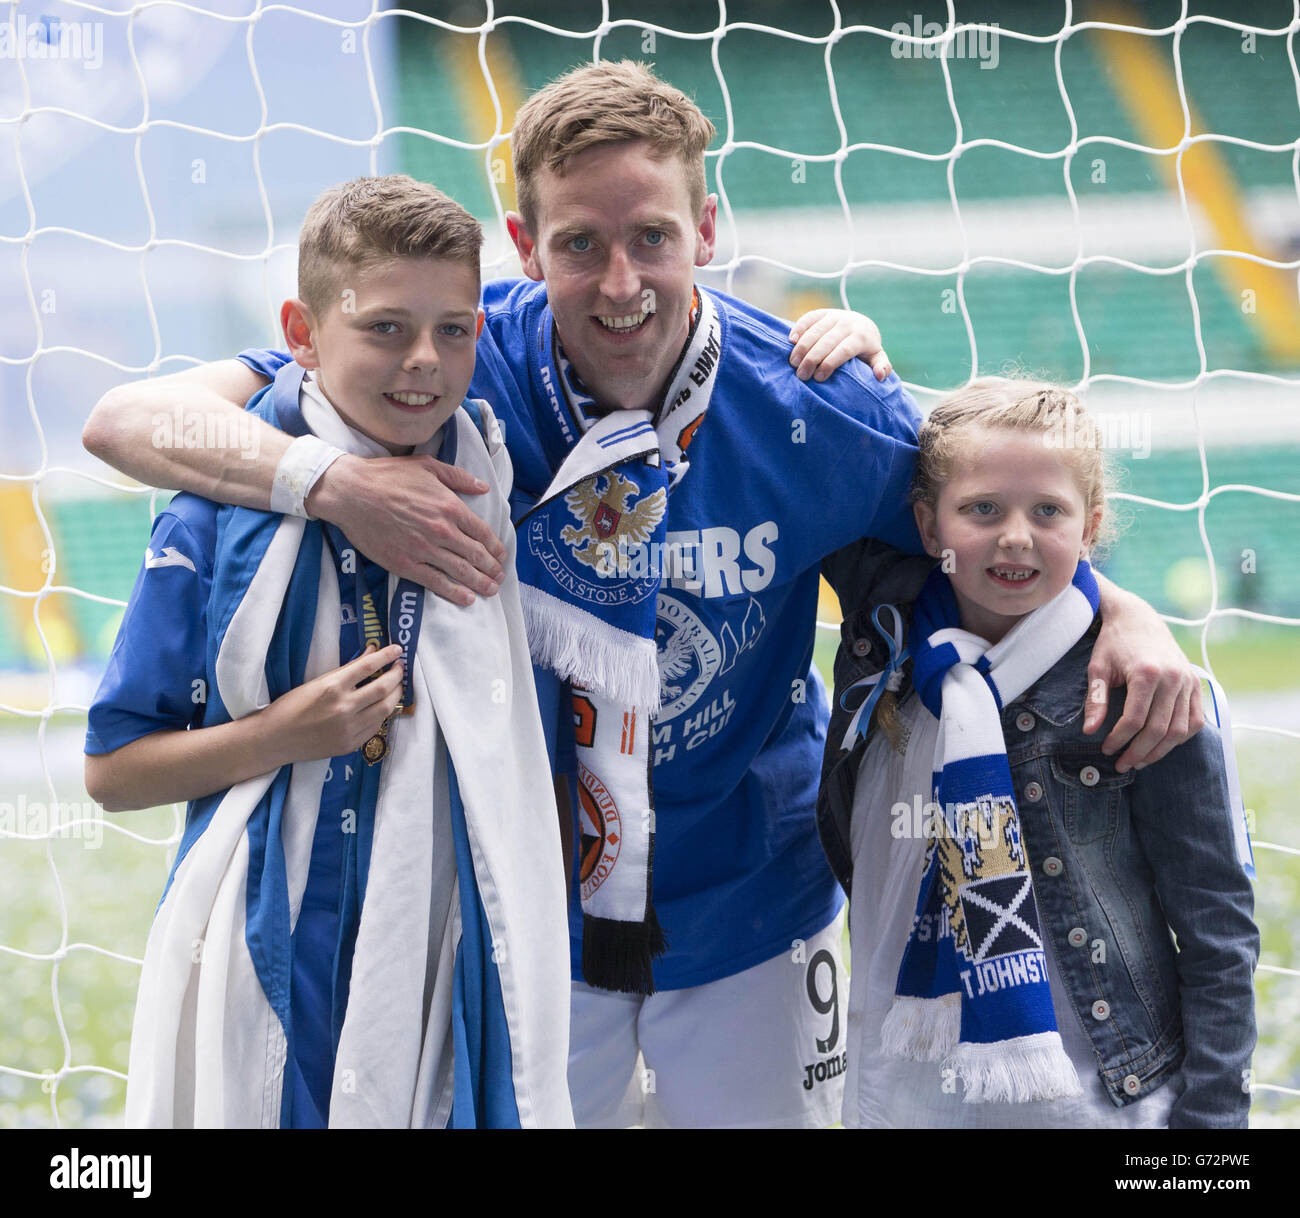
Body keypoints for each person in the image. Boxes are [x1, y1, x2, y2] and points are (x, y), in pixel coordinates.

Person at [81, 61, 1204, 1129]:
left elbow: (990, 521)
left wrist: (1121, 609)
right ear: (524, 247)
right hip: (514, 912)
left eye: (653, 238)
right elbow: (126, 422)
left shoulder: (813, 404)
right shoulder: (461, 370)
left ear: (705, 232)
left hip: (754, 904)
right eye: (579, 245)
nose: (620, 284)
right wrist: (335, 487)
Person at [83, 175, 573, 1129]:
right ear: (302, 333)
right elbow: (111, 773)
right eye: (384, 329)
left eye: (455, 331)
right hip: (274, 947)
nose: (424, 362)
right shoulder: (213, 515)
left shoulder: (495, 475)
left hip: (456, 948)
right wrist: (281, 735)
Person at [819, 379, 1258, 1129]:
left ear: (1092, 526)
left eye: (1047, 511)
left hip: (1094, 1102)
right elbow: (805, 436)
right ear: (928, 525)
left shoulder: (1142, 691)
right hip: (901, 1091)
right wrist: (853, 338)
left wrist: (1212, 1129)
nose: (1015, 536)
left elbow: (1219, 922)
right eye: (982, 509)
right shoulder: (885, 643)